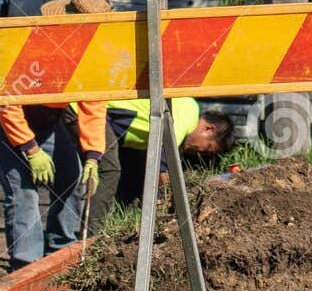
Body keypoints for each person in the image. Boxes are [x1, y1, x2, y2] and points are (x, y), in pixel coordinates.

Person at [0, 0, 109, 268]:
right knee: (23, 191)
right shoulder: (31, 47)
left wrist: (93, 155)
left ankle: (62, 252)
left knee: (71, 176)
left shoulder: (88, 55)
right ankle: (27, 265)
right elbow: (7, 102)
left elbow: (93, 105)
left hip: (45, 117)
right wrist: (31, 149)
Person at [81, 95, 236, 225]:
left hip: (112, 123)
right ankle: (91, 233)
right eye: (207, 148)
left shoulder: (186, 107)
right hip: (98, 112)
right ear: (209, 129)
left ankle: (126, 219)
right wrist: (167, 195)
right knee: (110, 171)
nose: (200, 152)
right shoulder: (188, 113)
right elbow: (163, 154)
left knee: (134, 174)